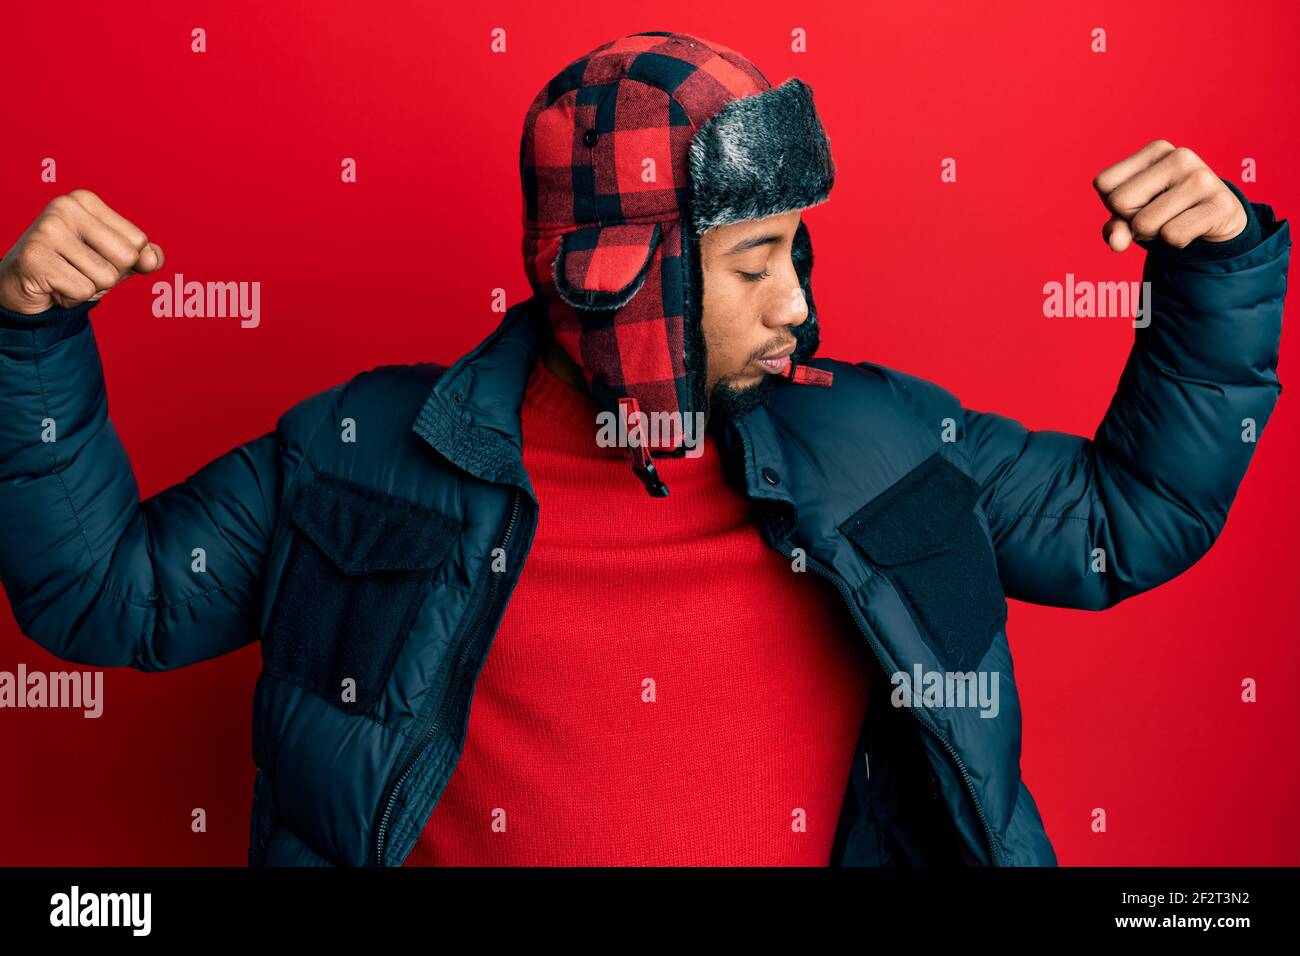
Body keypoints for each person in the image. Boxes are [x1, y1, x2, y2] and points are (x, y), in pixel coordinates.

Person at [0, 31, 1289, 867]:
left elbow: (1125, 522)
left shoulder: (879, 438)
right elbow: (107, 599)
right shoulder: (360, 452)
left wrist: (1215, 275)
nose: (796, 303)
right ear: (628, 284)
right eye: (751, 261)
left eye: (797, 251)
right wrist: (32, 343)